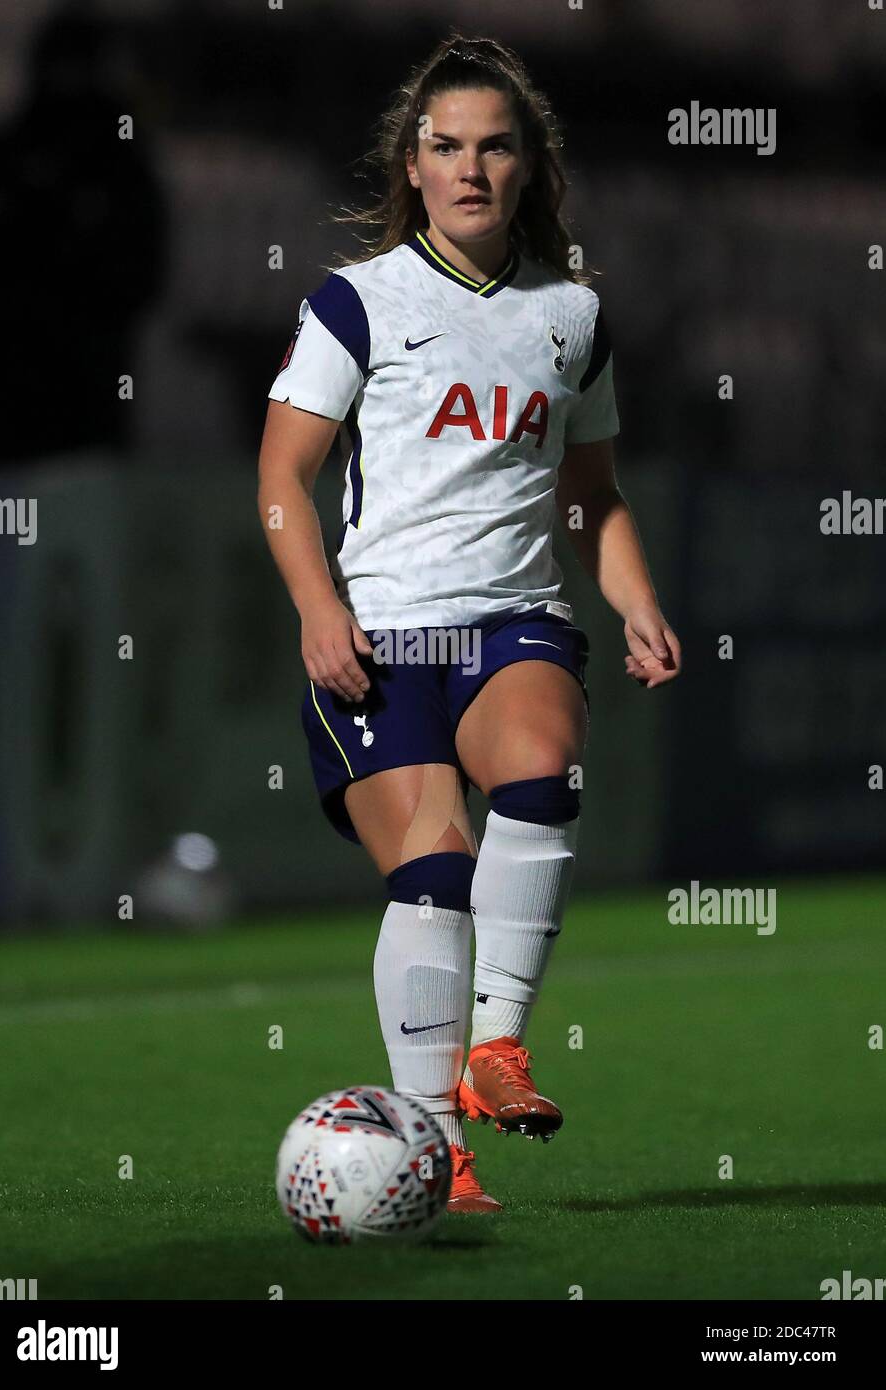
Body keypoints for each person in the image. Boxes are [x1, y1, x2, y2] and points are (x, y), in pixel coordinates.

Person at [257, 33, 681, 1213]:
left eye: (496, 147)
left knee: (543, 760)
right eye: (445, 147)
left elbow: (591, 494)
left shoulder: (572, 317)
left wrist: (635, 598)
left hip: (512, 619)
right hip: (382, 636)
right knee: (435, 868)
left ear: (529, 166)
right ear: (411, 163)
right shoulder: (357, 302)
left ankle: (497, 1045)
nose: (470, 168)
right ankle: (441, 1151)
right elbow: (284, 472)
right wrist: (316, 609)